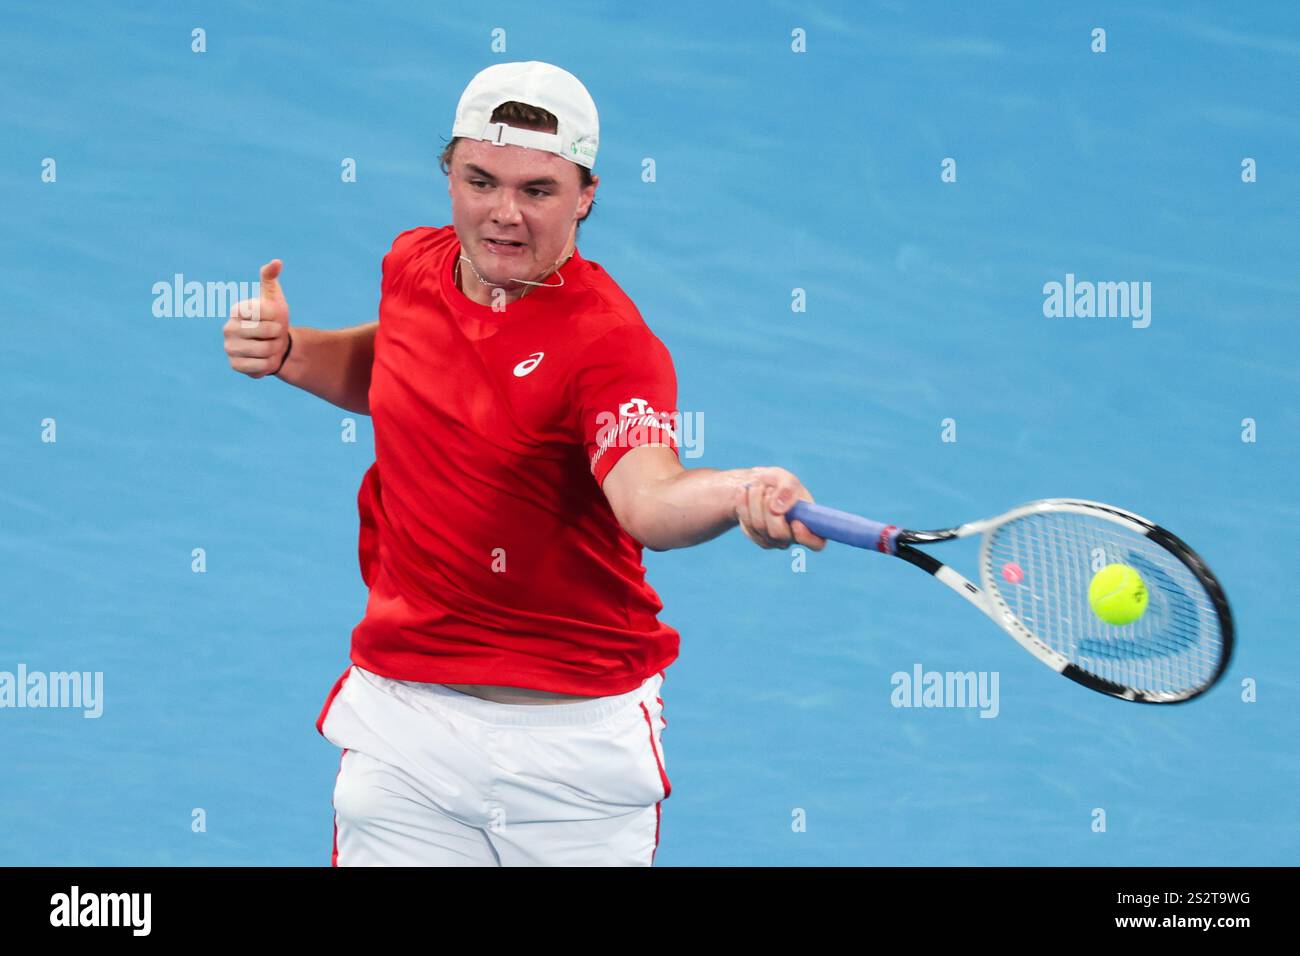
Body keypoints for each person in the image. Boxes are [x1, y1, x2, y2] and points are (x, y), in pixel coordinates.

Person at [222, 60, 825, 866]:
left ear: (587, 195)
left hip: (573, 758)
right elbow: (395, 365)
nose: (504, 214)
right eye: (481, 181)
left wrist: (736, 491)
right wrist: (291, 351)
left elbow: (648, 495)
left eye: (538, 190)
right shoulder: (413, 266)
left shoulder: (611, 347)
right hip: (407, 724)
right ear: (448, 176)